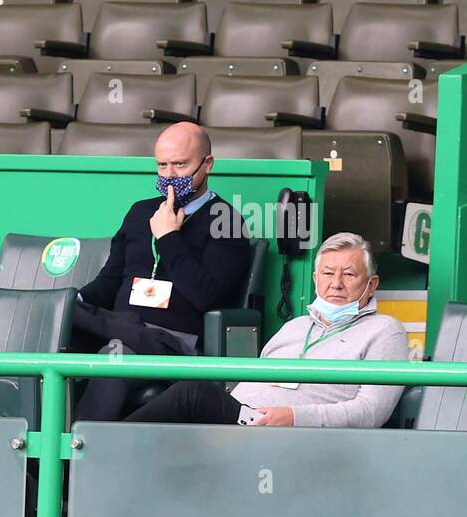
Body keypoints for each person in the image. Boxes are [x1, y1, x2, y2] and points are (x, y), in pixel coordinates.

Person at [127, 232, 409, 428]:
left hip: (293, 432)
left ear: (371, 284)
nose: (336, 283)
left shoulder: (385, 330)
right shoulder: (295, 326)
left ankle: (97, 452)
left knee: (193, 393)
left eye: (349, 274)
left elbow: (371, 412)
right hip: (243, 420)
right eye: (327, 273)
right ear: (315, 279)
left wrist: (293, 417)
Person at [72, 121, 255, 421]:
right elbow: (108, 282)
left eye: (180, 165)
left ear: (207, 164)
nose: (170, 176)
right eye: (162, 165)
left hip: (175, 342)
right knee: (63, 330)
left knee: (114, 358)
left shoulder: (226, 223)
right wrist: (74, 302)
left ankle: (72, 461)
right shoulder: (140, 212)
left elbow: (207, 297)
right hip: (121, 329)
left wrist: (168, 237)